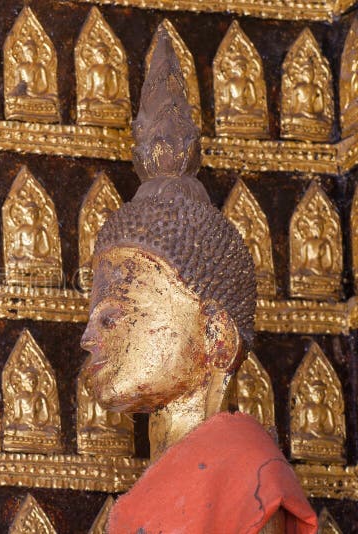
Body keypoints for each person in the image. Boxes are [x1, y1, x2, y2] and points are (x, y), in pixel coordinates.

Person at [79, 27, 316, 534]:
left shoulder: (245, 488)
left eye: (115, 316)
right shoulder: (165, 492)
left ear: (215, 335)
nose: (88, 337)